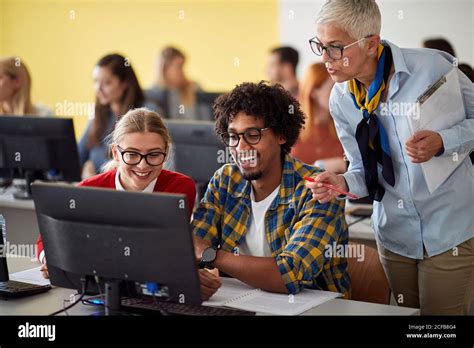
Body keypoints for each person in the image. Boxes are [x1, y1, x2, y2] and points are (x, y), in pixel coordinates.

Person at [306, 0, 474, 315]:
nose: (326, 59)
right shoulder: (341, 98)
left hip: (449, 227)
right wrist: (338, 182)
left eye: (335, 48)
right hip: (394, 234)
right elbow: (362, 171)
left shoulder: (432, 68)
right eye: (320, 46)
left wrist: (443, 141)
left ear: (371, 44)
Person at [191, 81, 350, 300]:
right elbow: (193, 246)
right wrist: (197, 273)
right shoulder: (226, 180)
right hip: (238, 302)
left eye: (253, 135)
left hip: (312, 309)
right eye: (233, 137)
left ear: (281, 135)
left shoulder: (318, 189)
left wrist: (211, 256)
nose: (241, 147)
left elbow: (290, 274)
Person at [37, 108, 197, 280]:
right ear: (115, 153)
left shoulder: (180, 187)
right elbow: (46, 239)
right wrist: (50, 260)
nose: (143, 166)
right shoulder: (89, 189)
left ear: (166, 153)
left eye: (154, 154)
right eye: (132, 154)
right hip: (100, 286)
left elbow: (165, 250)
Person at [77, 53, 153, 177]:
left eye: (107, 83)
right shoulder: (100, 115)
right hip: (97, 190)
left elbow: (143, 161)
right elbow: (77, 156)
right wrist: (85, 169)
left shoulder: (147, 112)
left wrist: (94, 172)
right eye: (96, 81)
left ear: (125, 84)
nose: (98, 89)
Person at [291, 62, 346, 173]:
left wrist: (342, 164)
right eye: (333, 88)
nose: (341, 93)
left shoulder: (345, 126)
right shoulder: (291, 130)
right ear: (313, 92)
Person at [145, 46, 202, 120]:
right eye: (178, 67)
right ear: (165, 68)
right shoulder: (151, 95)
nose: (182, 72)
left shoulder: (194, 88)